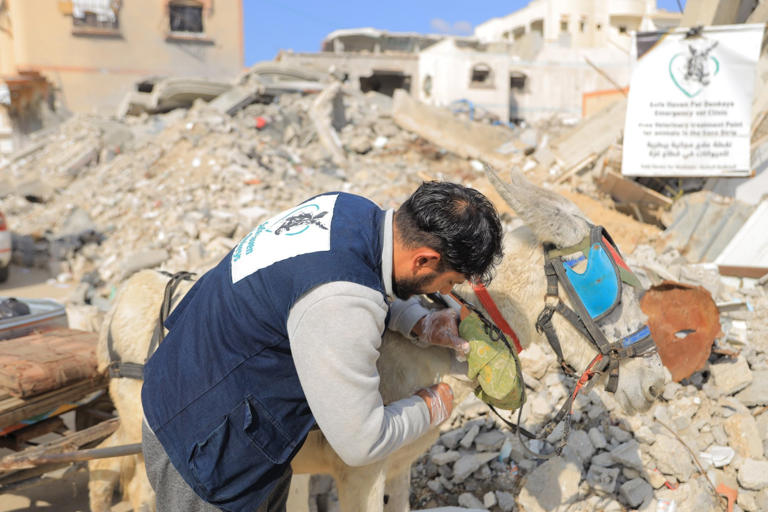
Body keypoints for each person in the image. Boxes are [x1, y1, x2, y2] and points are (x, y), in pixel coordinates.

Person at [140, 181, 504, 511]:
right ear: (424, 259)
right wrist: (431, 406)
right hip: (207, 448)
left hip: (183, 378)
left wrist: (417, 320)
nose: (442, 294)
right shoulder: (341, 302)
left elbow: (340, 282)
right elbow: (361, 444)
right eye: (448, 281)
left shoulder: (346, 210)